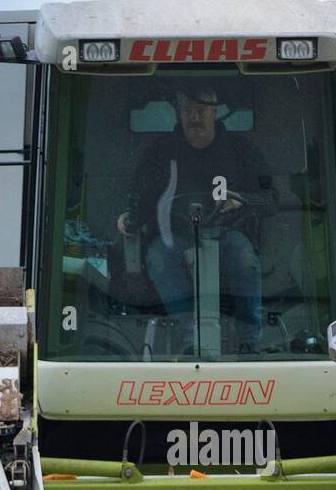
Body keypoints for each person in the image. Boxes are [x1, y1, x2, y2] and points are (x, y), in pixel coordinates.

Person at [116, 81, 276, 352]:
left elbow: (272, 199)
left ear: (215, 112)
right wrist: (130, 217)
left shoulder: (241, 151)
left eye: (201, 110)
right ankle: (192, 341)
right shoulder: (160, 152)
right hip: (174, 238)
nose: (194, 117)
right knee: (160, 257)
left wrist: (242, 200)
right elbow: (139, 197)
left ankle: (250, 343)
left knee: (244, 259)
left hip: (229, 236)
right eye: (188, 110)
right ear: (179, 113)